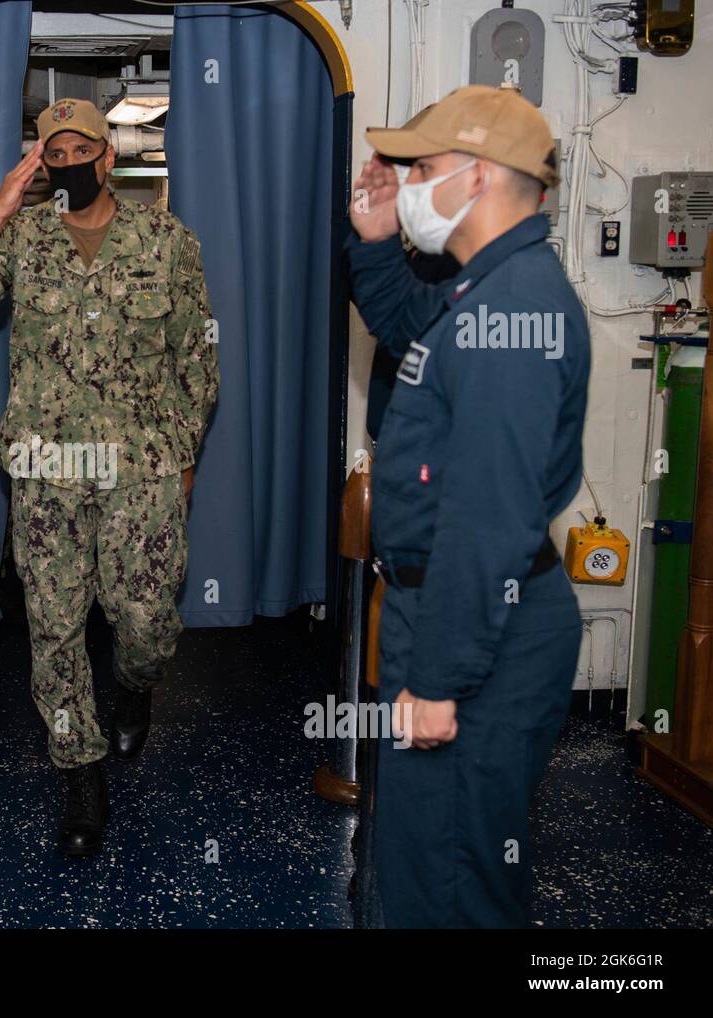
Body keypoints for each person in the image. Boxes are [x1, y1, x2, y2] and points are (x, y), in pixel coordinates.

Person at [0, 98, 219, 856]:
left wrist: (182, 455)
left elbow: (195, 357)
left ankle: (135, 683)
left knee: (145, 620)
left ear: (106, 157)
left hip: (141, 466)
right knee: (53, 629)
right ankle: (79, 777)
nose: (66, 164)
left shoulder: (166, 239)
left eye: (79, 150)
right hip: (46, 467)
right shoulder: (24, 240)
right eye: (52, 154)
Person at [346, 84, 590, 927]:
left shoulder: (514, 307)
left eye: (425, 167)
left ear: (479, 176)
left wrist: (441, 679)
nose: (408, 182)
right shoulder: (481, 289)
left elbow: (487, 519)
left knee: (451, 881)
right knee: (425, 859)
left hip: (480, 628)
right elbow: (405, 323)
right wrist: (380, 239)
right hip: (451, 612)